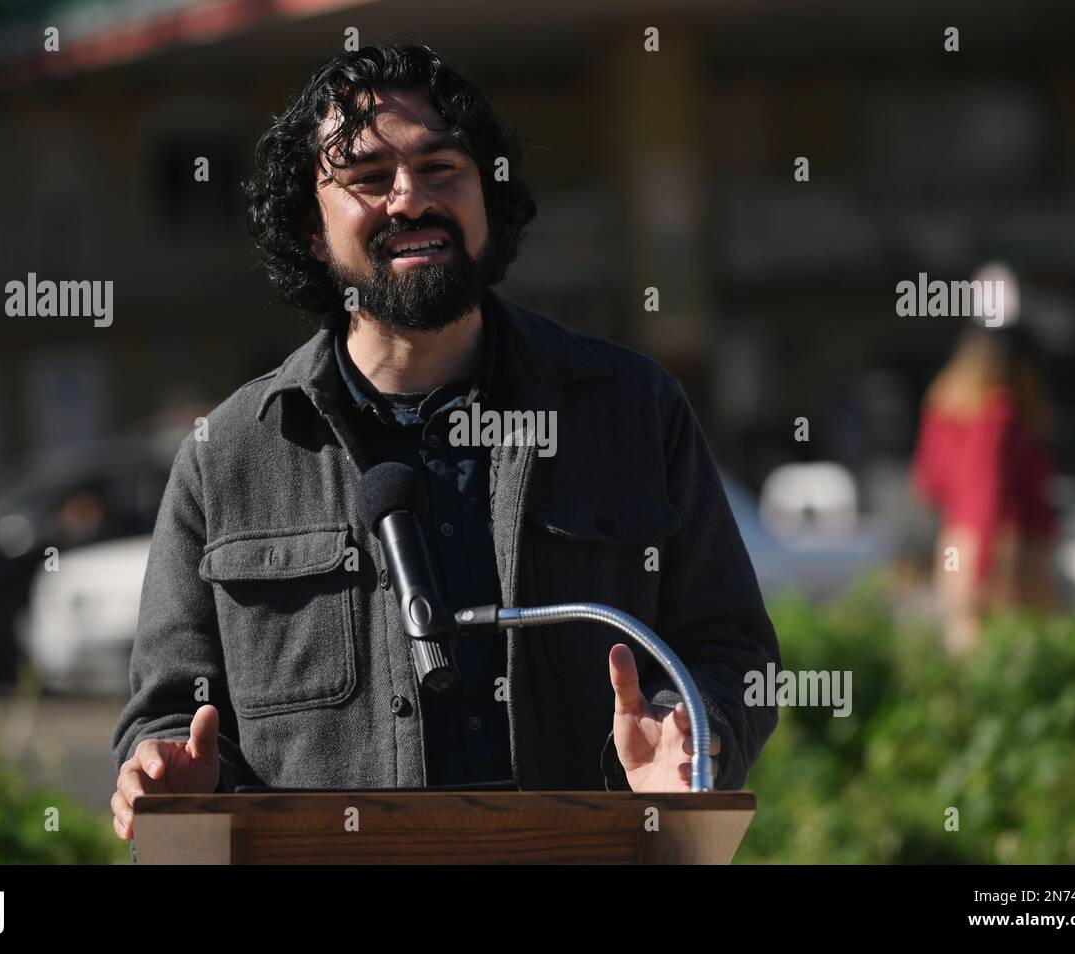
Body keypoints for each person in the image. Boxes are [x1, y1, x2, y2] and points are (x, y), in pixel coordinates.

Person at [110, 43, 781, 842]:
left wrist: (688, 738)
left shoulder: (633, 409)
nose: (409, 200)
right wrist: (168, 775)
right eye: (366, 179)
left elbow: (732, 651)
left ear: (487, 196)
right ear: (313, 232)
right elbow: (165, 717)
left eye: (441, 168)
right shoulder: (226, 458)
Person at [911, 326, 1056, 655]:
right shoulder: (1002, 413)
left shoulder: (943, 405)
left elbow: (927, 482)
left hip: (956, 538)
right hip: (1006, 541)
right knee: (1019, 648)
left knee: (962, 642)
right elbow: (988, 487)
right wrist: (982, 566)